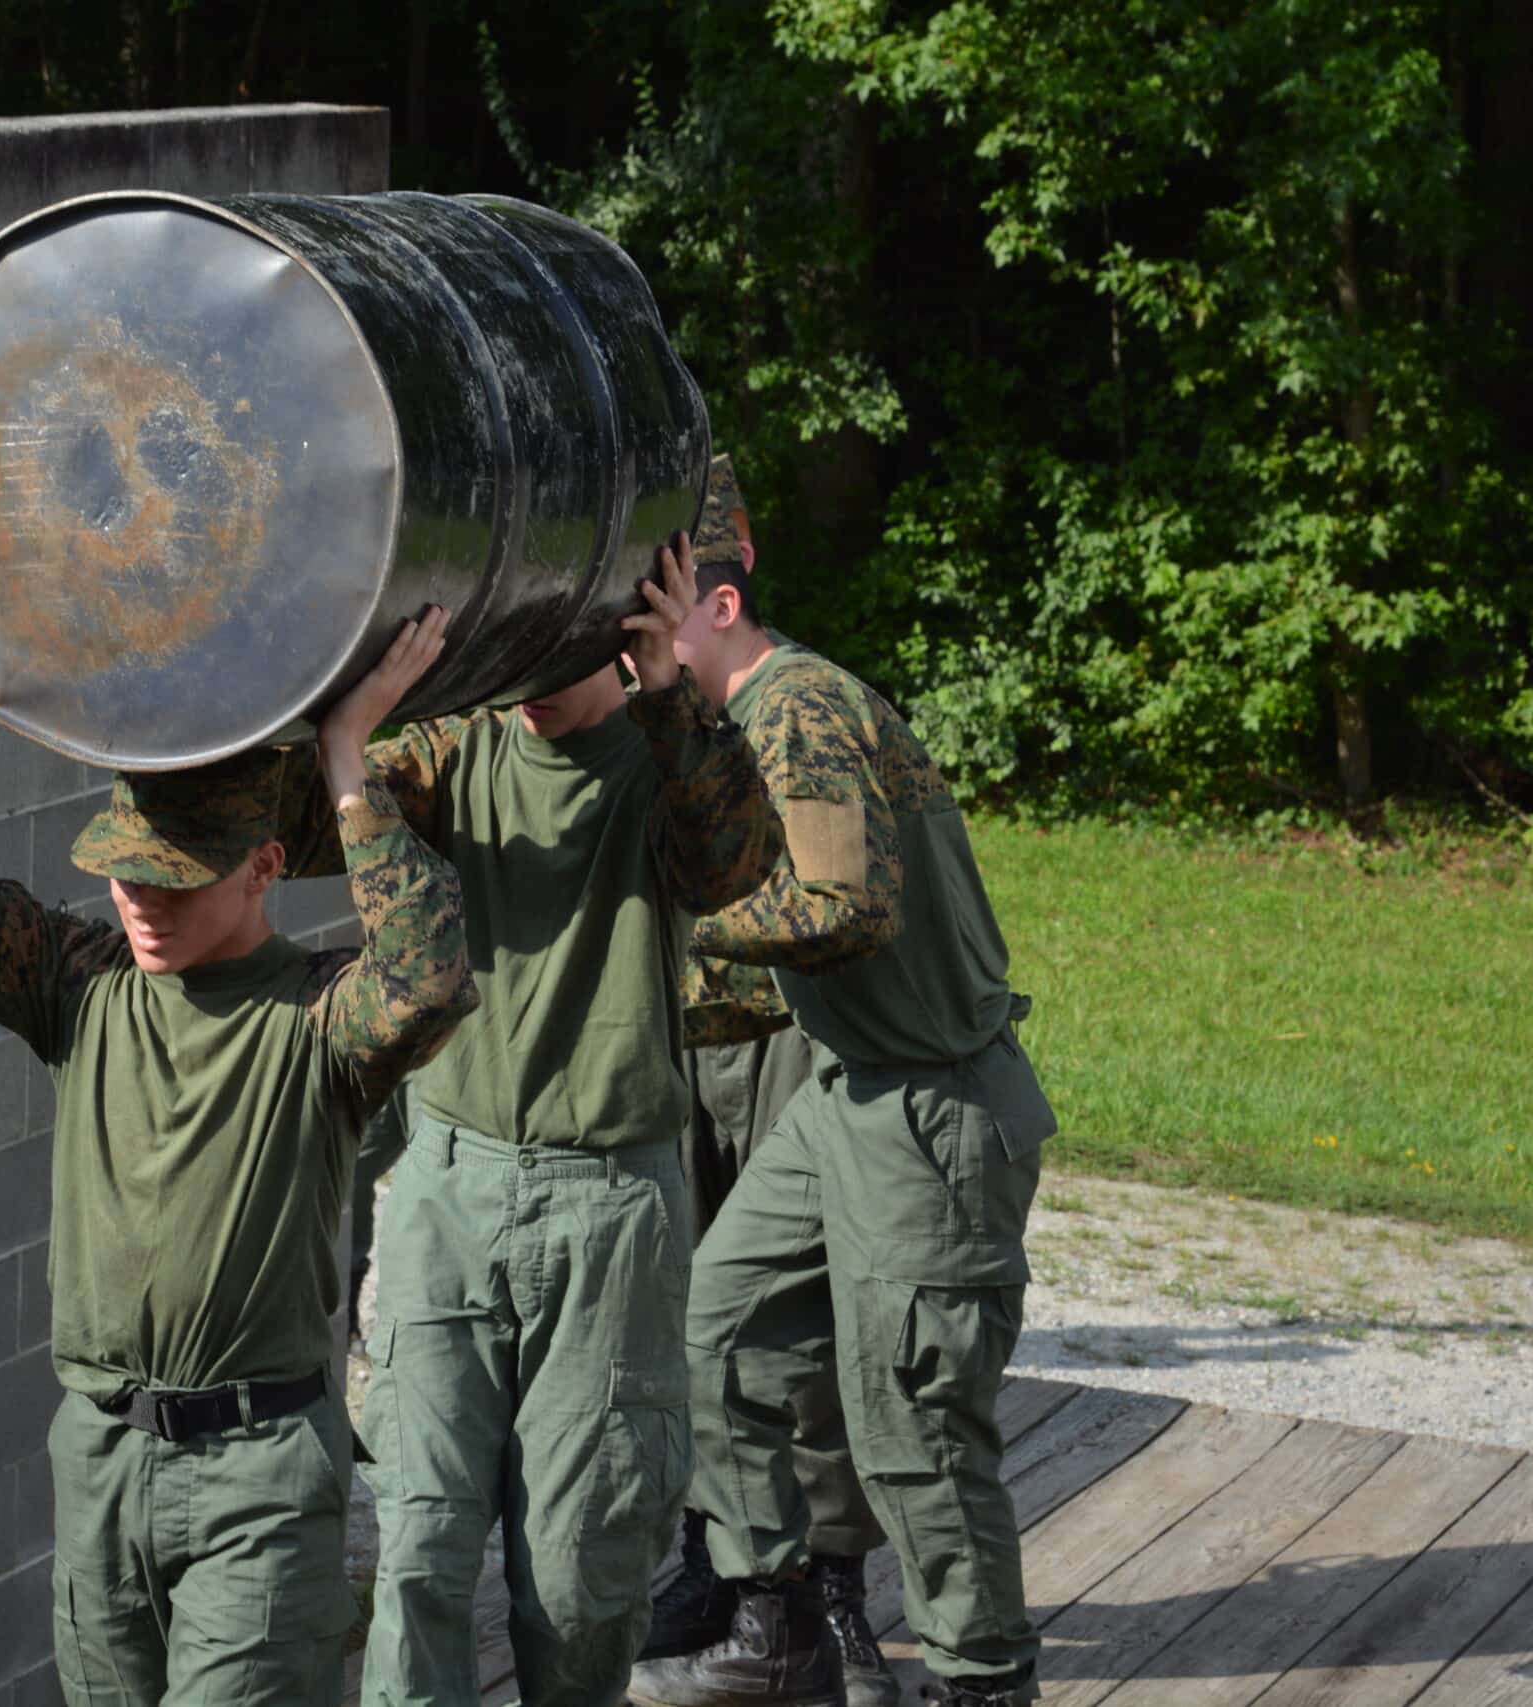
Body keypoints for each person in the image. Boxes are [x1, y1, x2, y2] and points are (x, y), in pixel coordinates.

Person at [0, 608, 479, 1707]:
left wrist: (344, 759)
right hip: (98, 1461)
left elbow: (427, 972)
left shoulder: (319, 1017)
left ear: (264, 868)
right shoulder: (80, 985)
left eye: (176, 877)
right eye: (126, 873)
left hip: (258, 1476)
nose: (140, 900)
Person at [280, 531, 781, 1707]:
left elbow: (733, 864)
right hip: (451, 1190)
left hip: (609, 1207)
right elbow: (293, 824)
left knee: (579, 1573)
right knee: (418, 1553)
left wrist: (667, 693)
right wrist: (348, 706)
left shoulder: (668, 760)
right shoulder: (452, 755)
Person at [624, 464, 1057, 1707]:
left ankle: (983, 1681)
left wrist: (678, 929)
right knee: (724, 1313)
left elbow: (844, 908)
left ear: (713, 606)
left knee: (912, 1422)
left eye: (653, 626)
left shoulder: (795, 707)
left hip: (930, 1109)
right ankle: (774, 1621)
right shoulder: (741, 722)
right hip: (853, 1095)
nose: (636, 653)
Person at [643, 459, 893, 1707]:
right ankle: (729, 1569)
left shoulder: (791, 702)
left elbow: (835, 896)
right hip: (679, 1040)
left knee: (806, 1329)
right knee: (696, 1314)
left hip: (780, 1037)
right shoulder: (662, 688)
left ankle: (830, 1592)